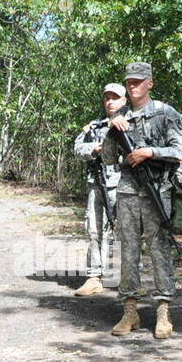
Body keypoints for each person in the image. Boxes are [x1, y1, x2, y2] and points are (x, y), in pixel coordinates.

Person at [100, 61, 182, 338]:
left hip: (157, 191)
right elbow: (108, 158)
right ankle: (129, 311)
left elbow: (178, 151)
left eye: (138, 81)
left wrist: (149, 152)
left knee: (160, 249)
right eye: (129, 82)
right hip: (127, 190)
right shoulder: (119, 116)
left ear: (150, 83)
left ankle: (163, 311)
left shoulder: (165, 113)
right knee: (128, 251)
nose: (133, 85)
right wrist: (113, 130)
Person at [71, 82, 124, 296]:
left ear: (124, 100)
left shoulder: (132, 123)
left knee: (125, 233)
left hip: (123, 184)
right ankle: (95, 276)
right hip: (97, 182)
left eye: (114, 97)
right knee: (94, 230)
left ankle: (129, 277)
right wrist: (94, 148)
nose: (110, 101)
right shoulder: (95, 126)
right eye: (107, 98)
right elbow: (77, 148)